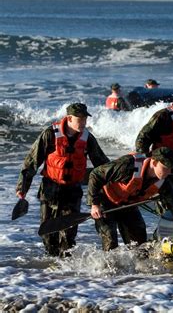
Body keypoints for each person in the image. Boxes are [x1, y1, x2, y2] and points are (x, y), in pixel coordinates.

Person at [15, 103, 109, 257]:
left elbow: (103, 164)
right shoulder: (50, 134)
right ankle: (51, 266)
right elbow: (32, 161)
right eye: (80, 120)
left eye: (85, 119)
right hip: (50, 187)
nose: (84, 123)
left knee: (69, 233)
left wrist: (117, 181)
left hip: (73, 190)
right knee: (48, 233)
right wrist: (22, 188)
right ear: (69, 118)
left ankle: (65, 269)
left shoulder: (87, 138)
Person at [87, 147, 173, 251]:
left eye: (170, 168)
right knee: (111, 242)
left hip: (128, 207)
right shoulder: (128, 165)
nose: (168, 172)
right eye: (165, 167)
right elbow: (96, 175)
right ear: (154, 162)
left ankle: (137, 276)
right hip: (105, 202)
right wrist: (94, 204)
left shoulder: (163, 182)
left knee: (140, 246)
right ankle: (109, 275)